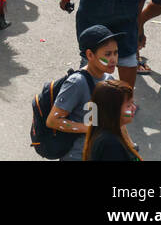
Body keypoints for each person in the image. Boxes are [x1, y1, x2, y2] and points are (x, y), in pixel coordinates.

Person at [44, 24, 122, 161]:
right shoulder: (77, 83)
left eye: (115, 53)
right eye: (107, 54)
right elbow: (53, 121)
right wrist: (88, 128)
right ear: (90, 55)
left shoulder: (109, 80)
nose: (113, 59)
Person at [82, 79, 140, 161]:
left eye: (133, 103)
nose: (134, 108)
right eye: (128, 105)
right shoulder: (111, 145)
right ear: (113, 110)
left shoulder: (109, 133)